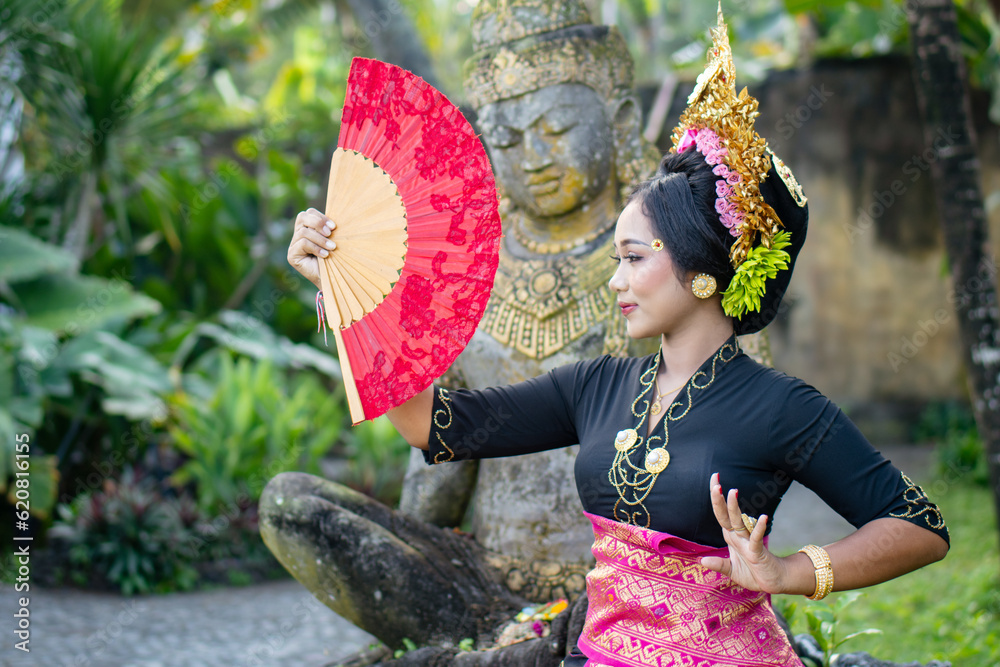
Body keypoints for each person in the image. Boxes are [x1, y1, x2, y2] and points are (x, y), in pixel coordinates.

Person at [284, 8, 949, 666]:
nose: (616, 282)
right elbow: (435, 426)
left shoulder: (781, 406)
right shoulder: (598, 385)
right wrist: (351, 287)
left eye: (634, 258)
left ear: (699, 271)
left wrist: (789, 570)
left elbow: (921, 527)